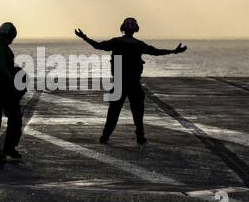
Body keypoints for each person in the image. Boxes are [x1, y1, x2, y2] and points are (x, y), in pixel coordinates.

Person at [75, 17, 185, 145]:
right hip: (134, 83)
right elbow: (156, 52)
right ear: (136, 30)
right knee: (138, 112)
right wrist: (174, 51)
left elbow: (98, 45)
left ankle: (105, 136)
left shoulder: (116, 42)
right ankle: (140, 136)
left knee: (113, 112)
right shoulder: (139, 45)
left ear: (122, 28)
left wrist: (84, 37)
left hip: (119, 83)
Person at [0, 22, 25, 166]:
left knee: (15, 118)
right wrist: (12, 82)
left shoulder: (3, 48)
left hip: (5, 90)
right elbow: (1, 68)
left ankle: (9, 148)